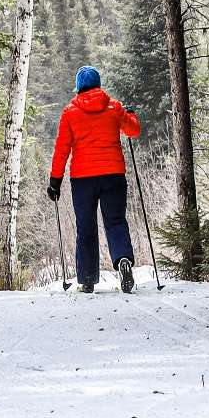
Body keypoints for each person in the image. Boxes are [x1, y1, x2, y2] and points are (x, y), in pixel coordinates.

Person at [47, 65, 142, 293]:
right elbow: (133, 131)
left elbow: (62, 149)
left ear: (79, 87)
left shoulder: (70, 112)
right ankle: (122, 261)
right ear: (98, 85)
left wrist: (55, 181)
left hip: (83, 179)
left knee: (86, 227)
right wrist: (130, 114)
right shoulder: (114, 107)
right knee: (116, 221)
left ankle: (88, 280)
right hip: (113, 176)